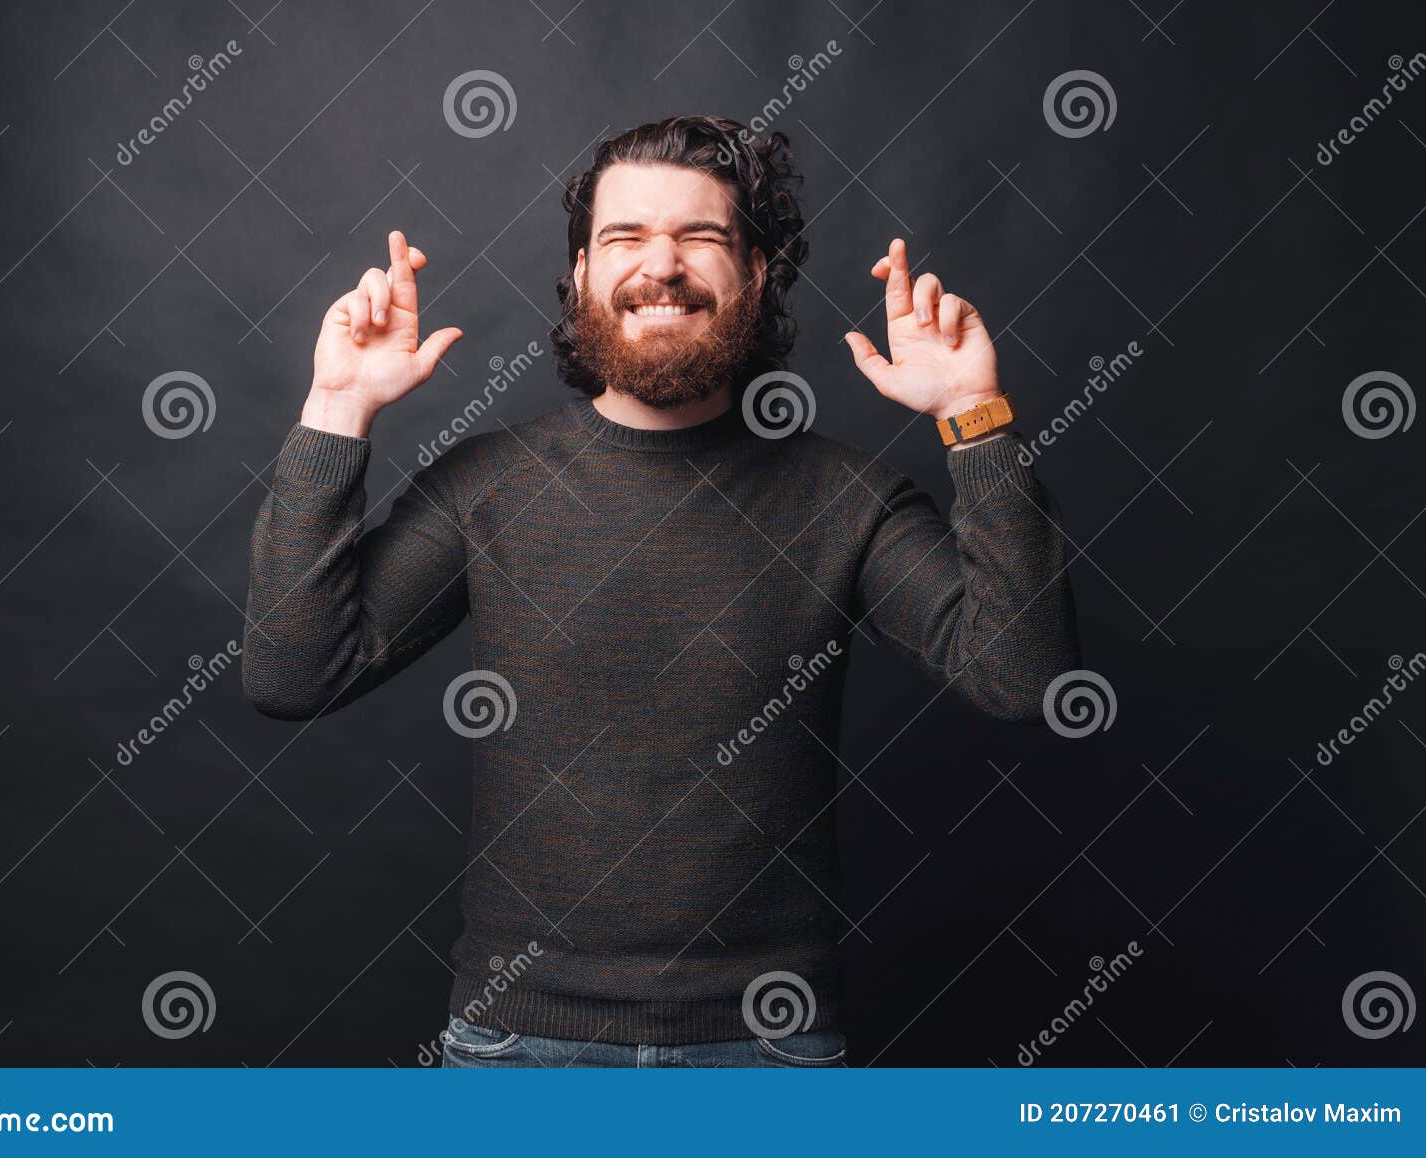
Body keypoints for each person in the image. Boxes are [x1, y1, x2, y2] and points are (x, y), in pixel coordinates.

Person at [243, 114, 1079, 1067]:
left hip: (769, 1053)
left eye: (703, 237)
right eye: (625, 238)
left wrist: (975, 415)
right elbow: (291, 674)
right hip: (520, 1047)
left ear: (756, 276)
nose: (662, 264)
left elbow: (1026, 678)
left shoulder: (845, 498)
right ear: (583, 277)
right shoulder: (487, 486)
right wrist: (338, 409)